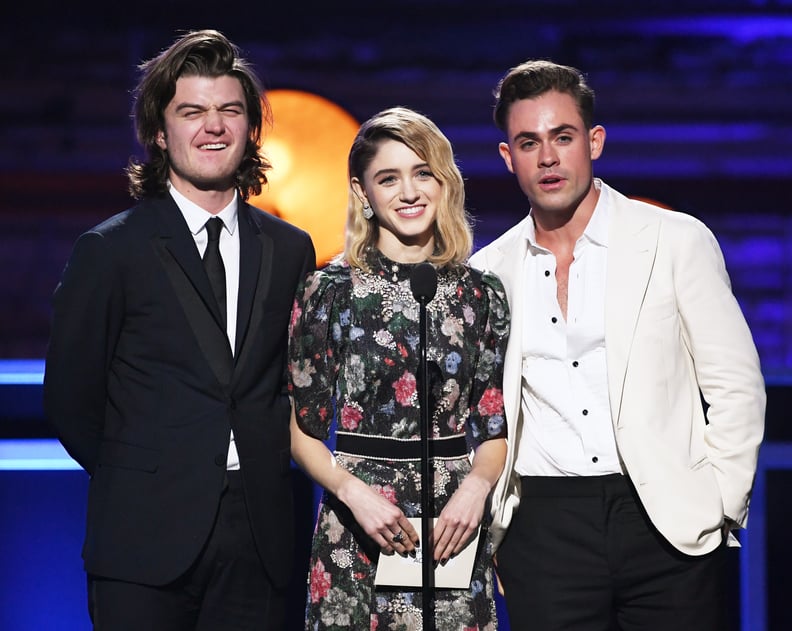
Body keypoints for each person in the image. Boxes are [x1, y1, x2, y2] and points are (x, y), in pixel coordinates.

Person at [468, 59, 767, 630]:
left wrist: (719, 506)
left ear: (594, 142)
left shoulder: (673, 240)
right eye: (529, 142)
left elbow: (736, 385)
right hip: (545, 529)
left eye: (563, 137)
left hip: (668, 519)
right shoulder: (490, 272)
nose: (548, 157)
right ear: (508, 158)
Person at [43, 30, 316, 630]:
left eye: (230, 111)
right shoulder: (110, 250)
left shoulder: (291, 249)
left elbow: (289, 386)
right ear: (161, 134)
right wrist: (148, 474)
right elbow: (69, 399)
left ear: (250, 130)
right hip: (142, 541)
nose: (213, 126)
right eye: (192, 112)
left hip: (262, 539)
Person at [287, 106, 510, 629]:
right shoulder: (330, 291)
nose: (409, 192)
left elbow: (493, 427)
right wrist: (353, 494)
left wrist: (474, 490)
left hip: (453, 530)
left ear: (444, 182)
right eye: (389, 178)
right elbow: (303, 432)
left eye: (422, 173)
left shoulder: (482, 294)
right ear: (363, 193)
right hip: (360, 527)